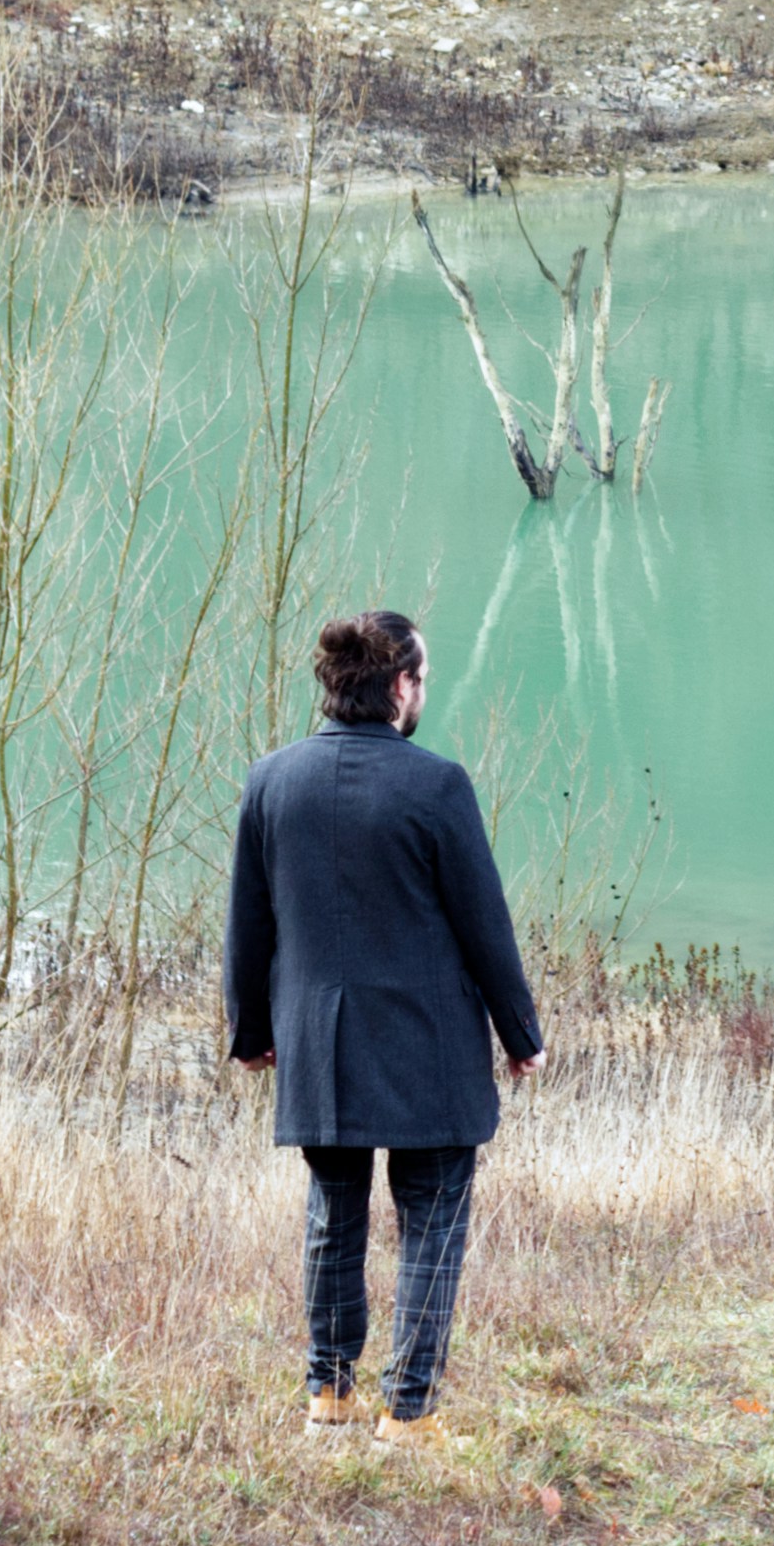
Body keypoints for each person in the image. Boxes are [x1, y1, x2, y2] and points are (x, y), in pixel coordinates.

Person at [226, 608, 546, 1447]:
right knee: (433, 1215)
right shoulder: (436, 784)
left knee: (335, 1213)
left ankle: (329, 1395)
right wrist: (521, 1033)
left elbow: (249, 926)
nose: (423, 692)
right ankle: (409, 1413)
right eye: (424, 679)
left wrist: (252, 1028)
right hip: (426, 1048)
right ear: (401, 684)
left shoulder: (272, 780)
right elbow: (486, 924)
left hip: (318, 1047)